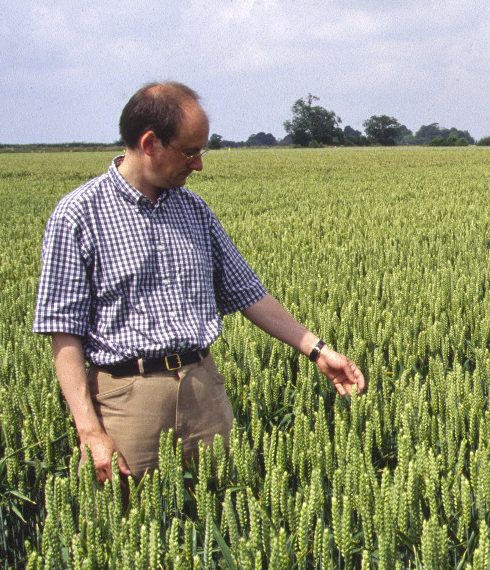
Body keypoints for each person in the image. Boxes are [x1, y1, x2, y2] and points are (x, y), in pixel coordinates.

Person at [33, 82, 365, 483]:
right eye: (190, 152)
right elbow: (62, 333)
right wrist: (89, 431)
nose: (199, 165)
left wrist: (317, 350)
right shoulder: (78, 215)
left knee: (222, 510)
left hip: (203, 390)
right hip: (128, 402)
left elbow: (248, 292)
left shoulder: (194, 210)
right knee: (130, 528)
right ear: (151, 143)